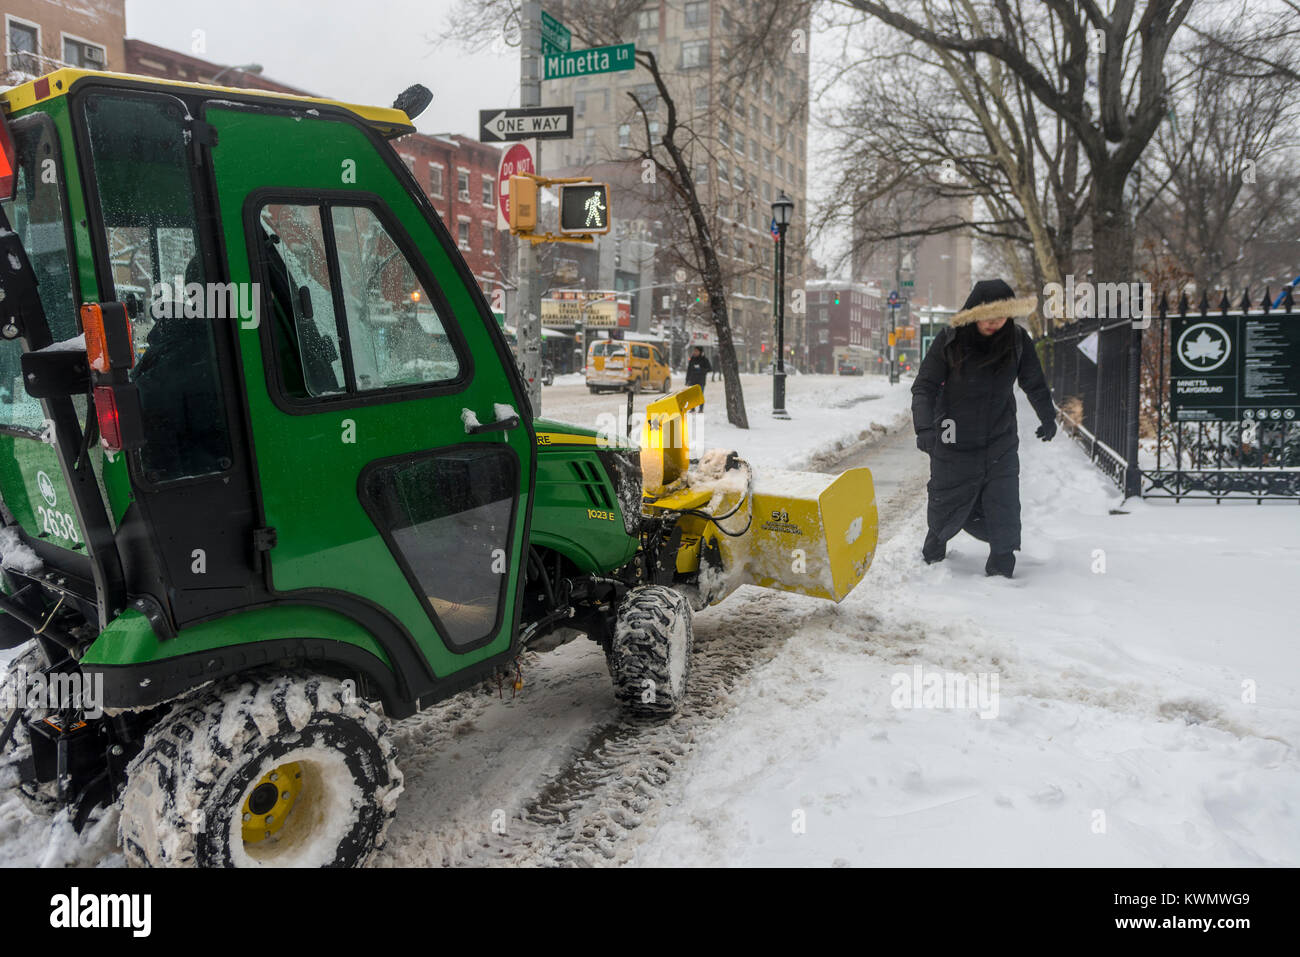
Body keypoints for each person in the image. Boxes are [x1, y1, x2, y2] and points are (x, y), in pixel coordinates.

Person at [911, 279, 1057, 579]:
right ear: (974, 314)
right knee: (946, 498)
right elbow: (924, 386)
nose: (995, 323)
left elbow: (1034, 382)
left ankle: (1002, 565)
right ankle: (935, 545)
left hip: (999, 437)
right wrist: (924, 427)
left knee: (1003, 500)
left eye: (1002, 316)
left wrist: (1047, 417)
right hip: (952, 436)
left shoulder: (1016, 340)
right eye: (989, 316)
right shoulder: (951, 339)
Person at [685, 345, 712, 409]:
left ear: (700, 352)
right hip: (692, 380)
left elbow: (710, 369)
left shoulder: (704, 360)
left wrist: (701, 370)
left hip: (701, 381)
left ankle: (701, 409)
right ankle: (692, 408)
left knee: (700, 395)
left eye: (696, 351)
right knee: (692, 396)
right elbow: (689, 370)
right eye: (694, 351)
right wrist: (687, 380)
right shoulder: (692, 359)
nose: (695, 352)